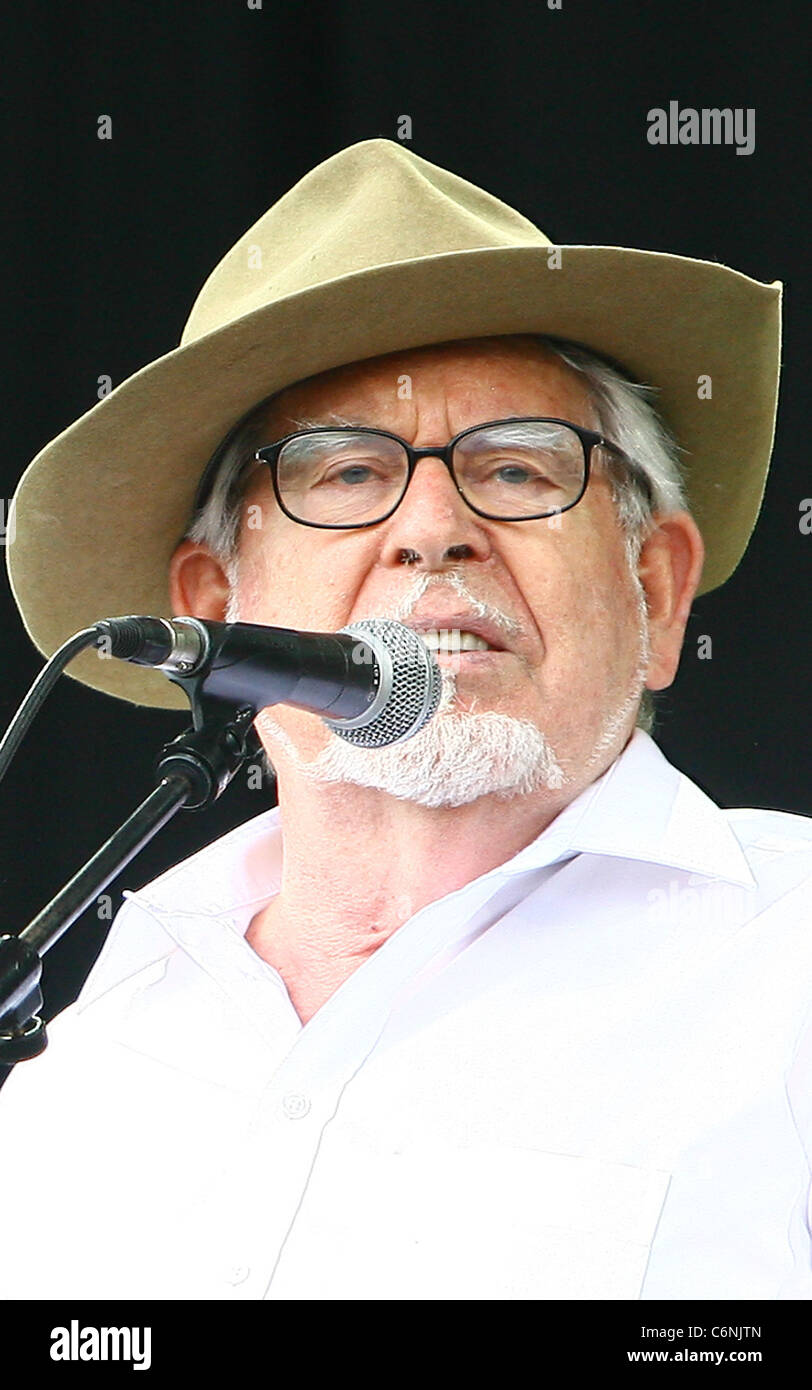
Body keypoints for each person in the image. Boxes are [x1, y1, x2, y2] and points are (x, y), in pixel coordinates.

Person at [2, 139, 809, 1301]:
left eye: (522, 471)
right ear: (215, 612)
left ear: (652, 594)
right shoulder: (84, 1043)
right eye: (341, 475)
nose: (431, 528)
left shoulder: (790, 963)